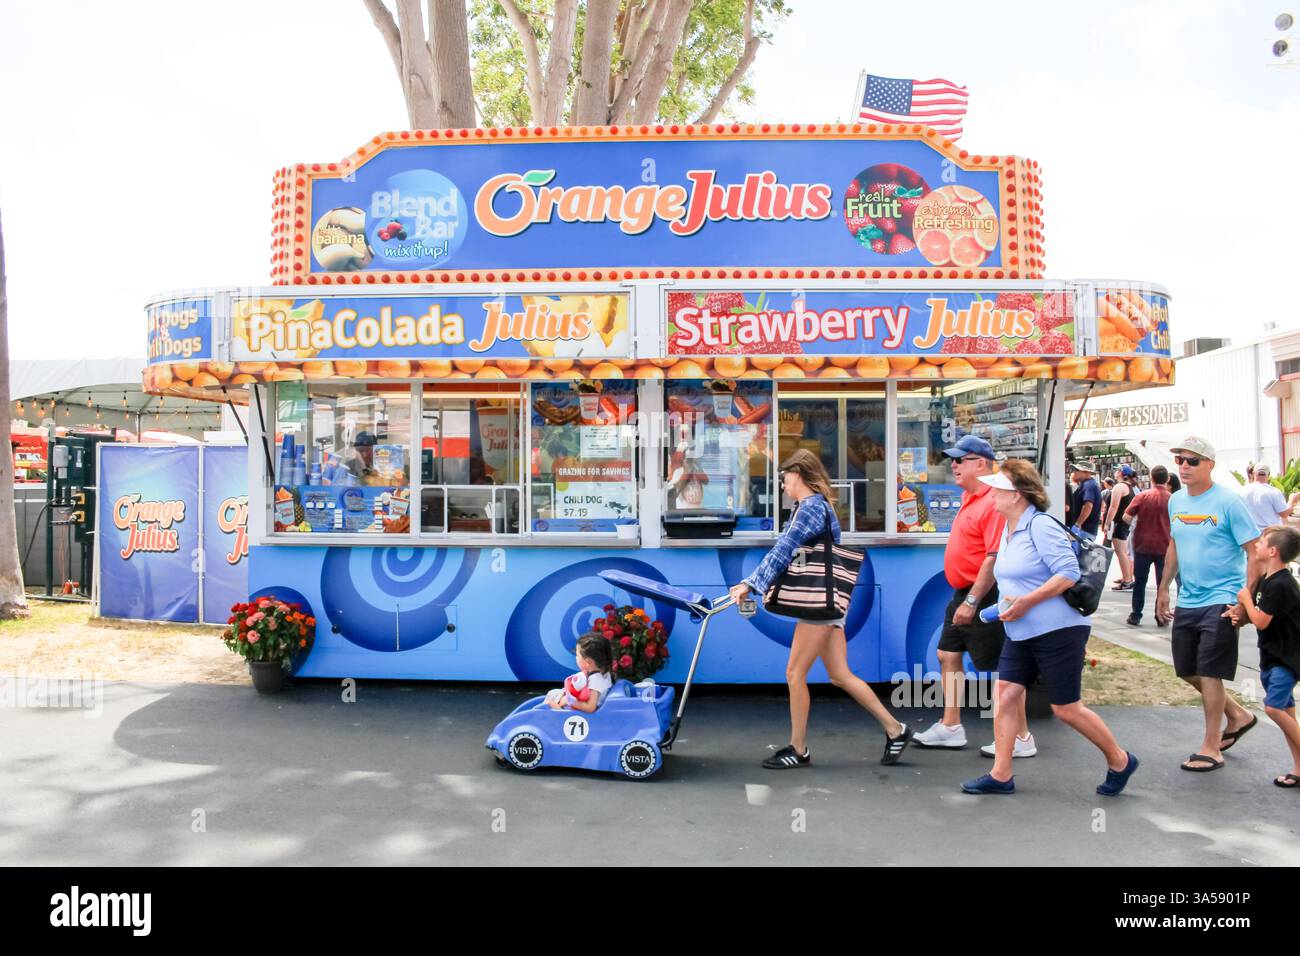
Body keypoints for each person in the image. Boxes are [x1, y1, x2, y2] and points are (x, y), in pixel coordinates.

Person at [960, 459, 1139, 796]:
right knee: (1006, 695)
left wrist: (1027, 601)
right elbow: (1014, 580)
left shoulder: (1041, 526)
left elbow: (1068, 573)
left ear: (1016, 495)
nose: (991, 492)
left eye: (997, 487)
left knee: (1066, 709)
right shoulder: (1008, 527)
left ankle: (1119, 759)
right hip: (1020, 631)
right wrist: (997, 609)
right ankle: (1001, 775)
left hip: (1058, 631)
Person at [728, 449, 912, 768]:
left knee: (794, 673)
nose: (782, 484)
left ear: (798, 473)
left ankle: (798, 749)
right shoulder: (815, 507)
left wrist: (751, 584)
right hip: (827, 603)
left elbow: (783, 549)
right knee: (840, 675)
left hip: (820, 606)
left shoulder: (810, 508)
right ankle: (896, 730)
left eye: (784, 477)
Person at [913, 436, 1036, 758]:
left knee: (1001, 668)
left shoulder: (993, 501)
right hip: (964, 593)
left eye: (960, 460)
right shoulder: (972, 498)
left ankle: (1021, 736)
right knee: (947, 654)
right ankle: (951, 726)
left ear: (981, 463)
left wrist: (972, 602)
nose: (953, 465)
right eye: (952, 460)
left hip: (983, 594)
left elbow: (993, 557)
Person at [1155, 436, 1263, 772]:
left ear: (1210, 465)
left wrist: (1245, 599)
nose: (1184, 466)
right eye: (1180, 461)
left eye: (1193, 461)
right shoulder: (1175, 501)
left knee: (1210, 671)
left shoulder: (1229, 502)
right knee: (1187, 669)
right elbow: (1174, 545)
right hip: (1188, 598)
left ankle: (1210, 746)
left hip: (1223, 598)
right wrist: (1163, 588)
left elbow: (1254, 552)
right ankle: (1238, 715)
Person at [1226, 526, 1300, 788]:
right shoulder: (1270, 580)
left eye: (1262, 543)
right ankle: (1298, 768)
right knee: (1287, 714)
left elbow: (1261, 621)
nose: (1255, 545)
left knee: (1273, 708)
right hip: (1272, 656)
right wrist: (1240, 611)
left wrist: (1245, 599)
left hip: (1286, 658)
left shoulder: (1280, 584)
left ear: (1272, 551)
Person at [1122, 465, 1173, 626]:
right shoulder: (1172, 499)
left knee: (1140, 582)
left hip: (1143, 545)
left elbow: (1126, 517)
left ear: (1151, 478)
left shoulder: (1142, 496)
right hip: (1164, 546)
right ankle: (1161, 615)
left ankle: (1136, 614)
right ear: (1167, 479)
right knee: (1162, 583)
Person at [545, 633, 615, 713]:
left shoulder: (596, 680)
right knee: (554, 693)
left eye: (577, 655)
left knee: (548, 703)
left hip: (579, 713)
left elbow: (590, 707)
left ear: (588, 662)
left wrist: (570, 701)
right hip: (578, 703)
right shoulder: (604, 672)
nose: (576, 657)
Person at [1106, 466, 1138, 590]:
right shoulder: (1130, 487)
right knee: (1125, 552)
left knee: (1121, 553)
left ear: (1121, 473)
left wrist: (1107, 523)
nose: (1115, 472)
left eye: (1117, 470)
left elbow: (1113, 507)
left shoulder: (1119, 487)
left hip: (1118, 523)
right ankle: (1127, 576)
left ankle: (1127, 580)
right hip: (1126, 523)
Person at [1240, 463, 1289, 534]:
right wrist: (1292, 502)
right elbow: (1284, 514)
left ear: (1253, 473)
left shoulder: (1241, 491)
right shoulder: (1274, 491)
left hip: (1250, 534)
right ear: (1268, 474)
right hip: (1271, 535)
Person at [1069, 462, 1102, 540]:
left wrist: (1078, 524)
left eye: (1076, 470)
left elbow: (1088, 505)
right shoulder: (1087, 484)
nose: (1073, 472)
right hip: (1085, 531)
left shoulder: (1088, 485)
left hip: (1084, 531)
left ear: (1085, 472)